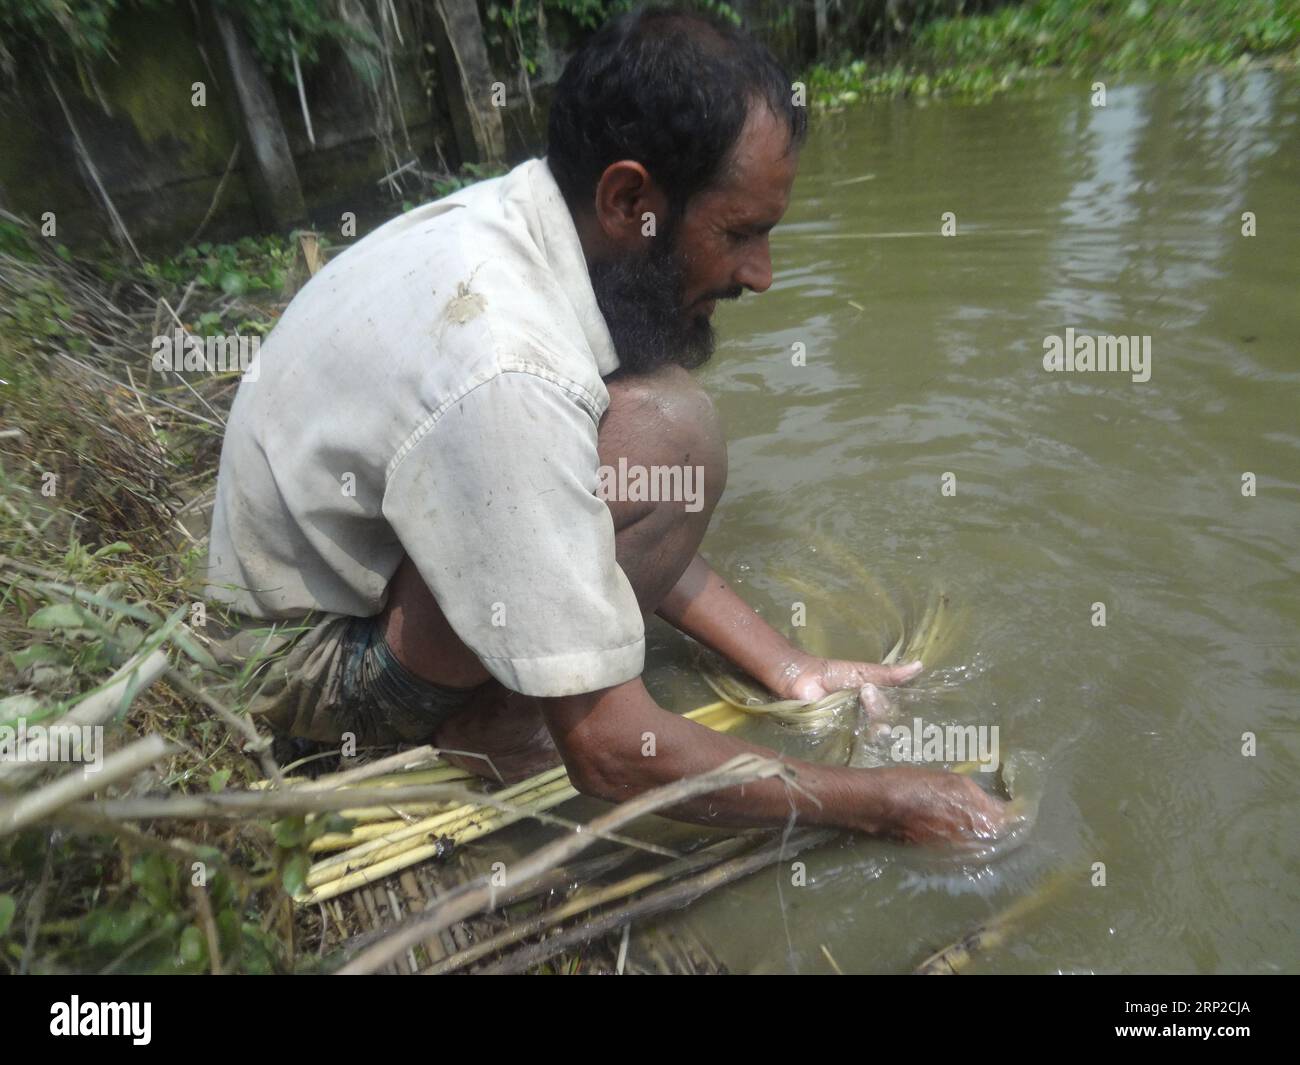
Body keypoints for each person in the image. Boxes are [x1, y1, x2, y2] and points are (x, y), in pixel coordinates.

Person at [205, 6, 1008, 845]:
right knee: (671, 433)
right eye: (739, 233)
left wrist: (787, 665)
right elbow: (613, 756)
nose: (761, 275)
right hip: (307, 676)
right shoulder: (511, 369)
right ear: (630, 199)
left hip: (341, 579)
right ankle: (491, 731)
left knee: (654, 427)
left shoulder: (527, 220)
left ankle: (519, 690)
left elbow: (568, 512)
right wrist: (883, 801)